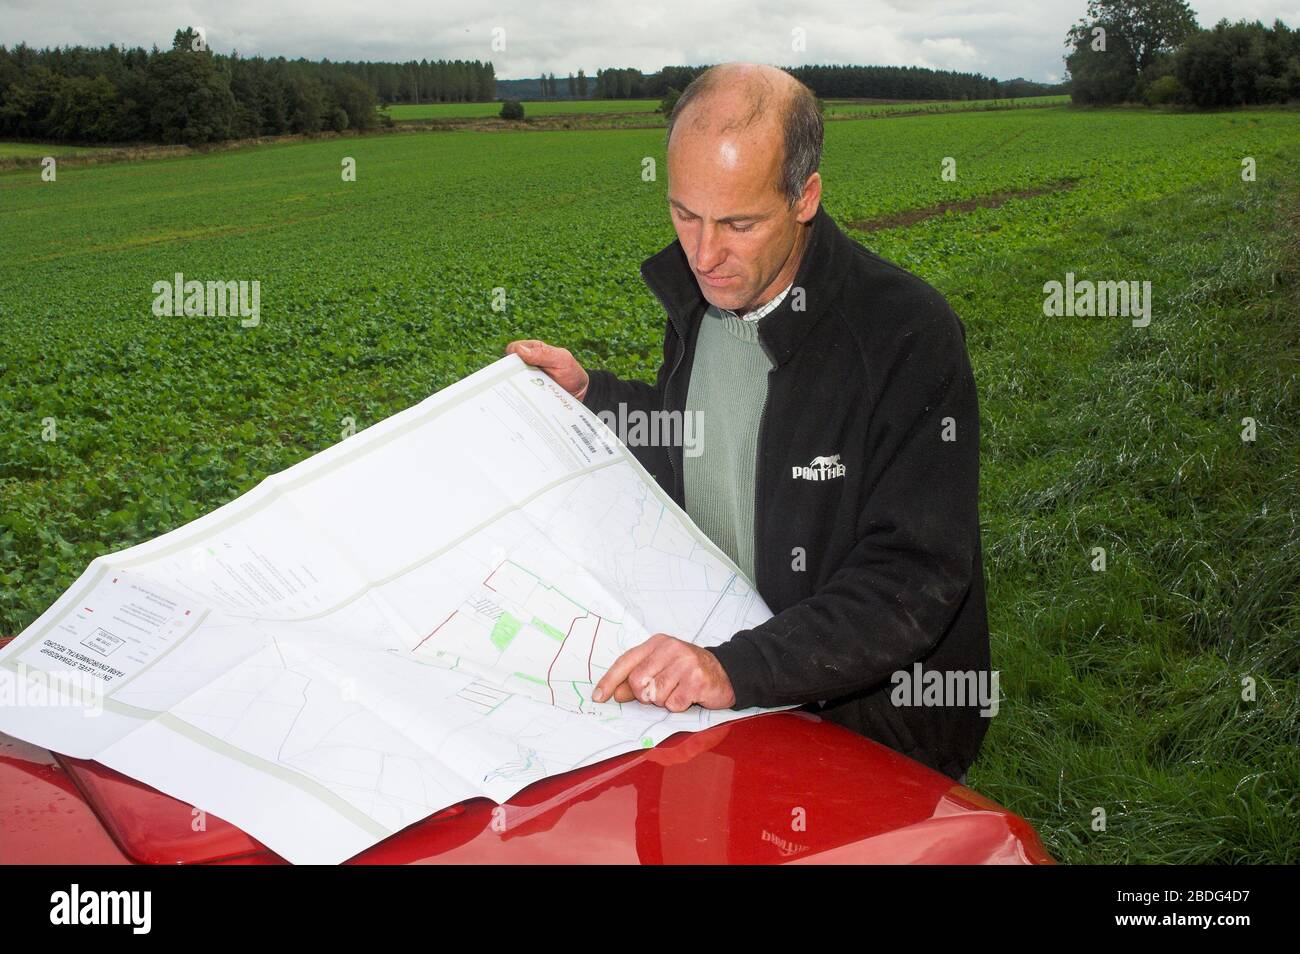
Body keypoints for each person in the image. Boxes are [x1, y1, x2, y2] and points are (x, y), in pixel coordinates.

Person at [506, 62, 990, 783]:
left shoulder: (905, 336)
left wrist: (735, 667)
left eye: (738, 223)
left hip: (866, 727)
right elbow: (704, 439)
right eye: (684, 214)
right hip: (737, 698)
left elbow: (912, 577)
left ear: (805, 198)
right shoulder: (703, 304)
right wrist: (594, 398)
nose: (703, 256)